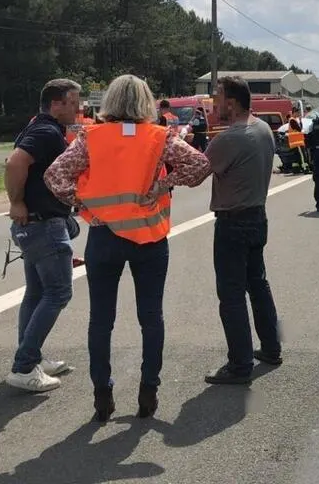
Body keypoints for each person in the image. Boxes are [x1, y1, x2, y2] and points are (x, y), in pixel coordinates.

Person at [44, 74, 211, 421]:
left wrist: (82, 204)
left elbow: (54, 176)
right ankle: (148, 389)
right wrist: (164, 183)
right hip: (149, 237)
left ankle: (102, 394)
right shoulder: (160, 136)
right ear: (146, 102)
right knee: (151, 317)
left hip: (104, 237)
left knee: (101, 320)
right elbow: (199, 165)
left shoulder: (90, 137)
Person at [3, 78, 82, 393]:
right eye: (74, 102)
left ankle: (31, 356)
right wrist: (16, 201)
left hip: (35, 225)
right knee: (58, 293)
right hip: (43, 225)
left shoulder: (38, 127)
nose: (79, 108)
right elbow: (14, 163)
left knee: (36, 293)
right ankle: (24, 366)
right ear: (57, 103)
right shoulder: (47, 132)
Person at [203, 75, 281, 385]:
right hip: (257, 218)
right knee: (257, 285)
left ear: (231, 104)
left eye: (217, 97)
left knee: (231, 295)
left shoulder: (230, 138)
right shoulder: (262, 128)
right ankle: (271, 348)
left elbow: (195, 173)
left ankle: (240, 364)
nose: (214, 103)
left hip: (232, 223)